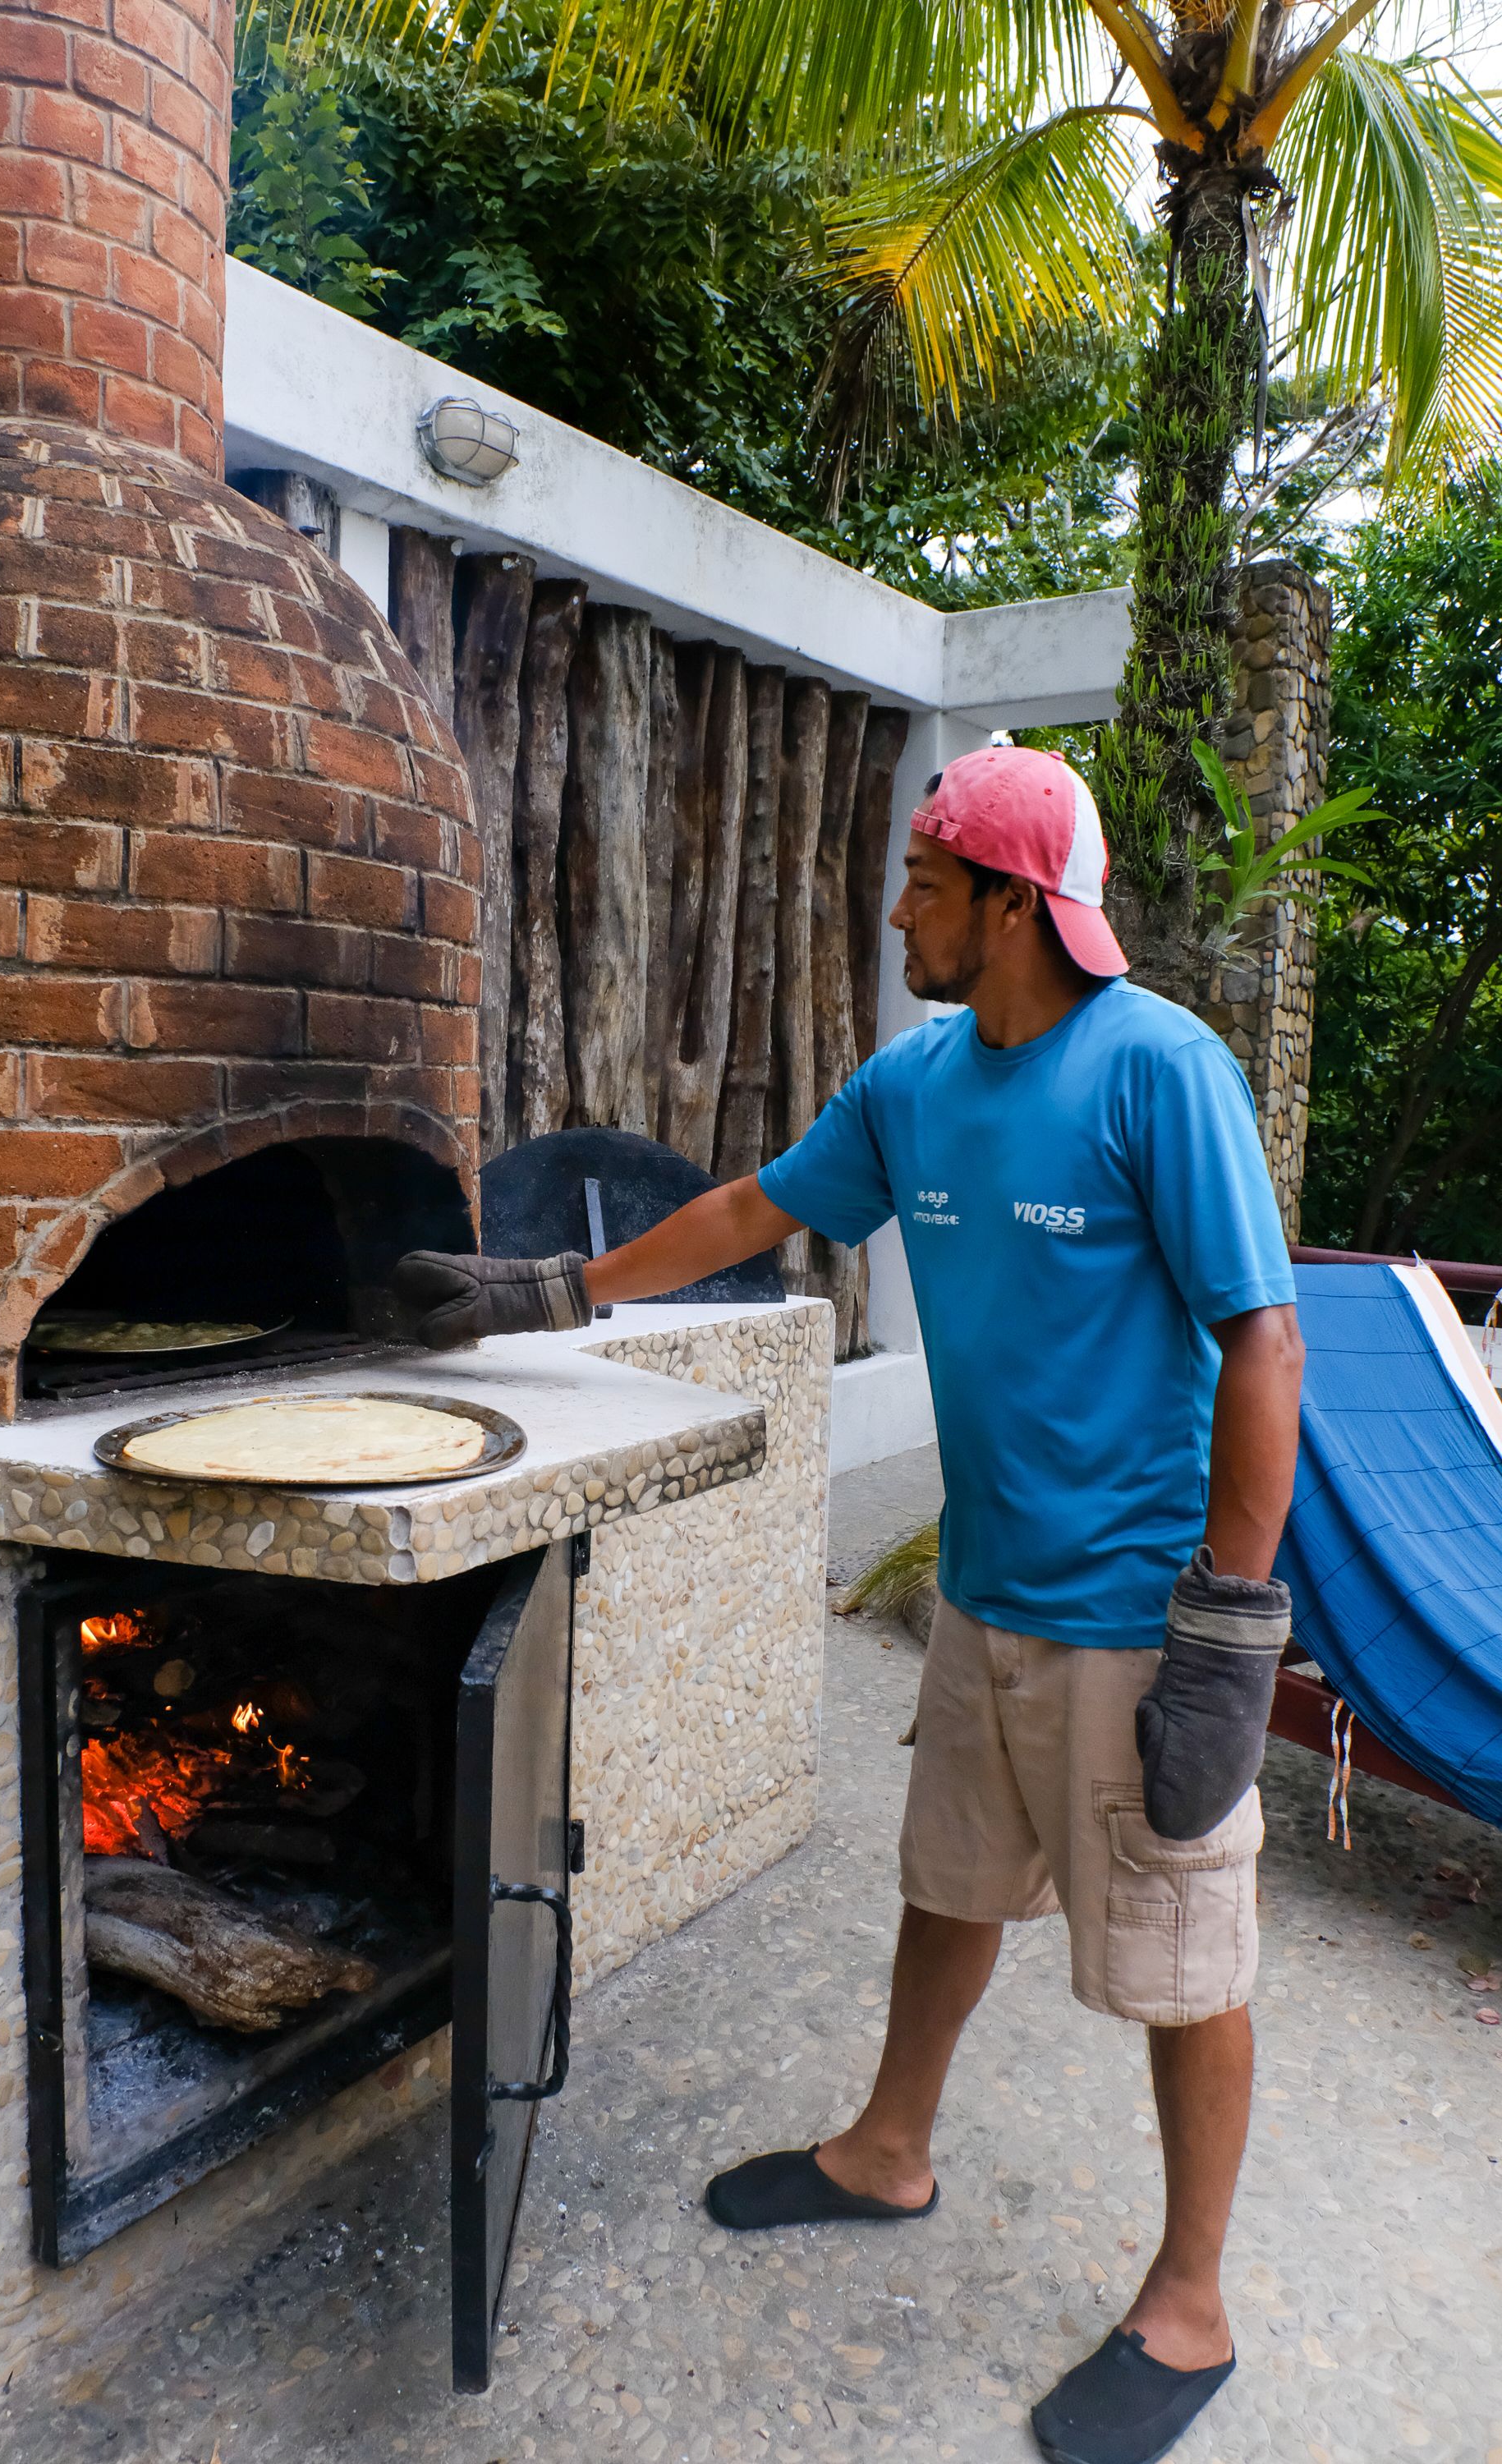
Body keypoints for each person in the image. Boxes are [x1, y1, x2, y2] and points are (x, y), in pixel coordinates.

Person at [393, 747, 1304, 2464]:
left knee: (1185, 1960)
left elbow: (1263, 1340)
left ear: (1015, 906)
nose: (896, 914)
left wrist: (1232, 1627)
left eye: (925, 884)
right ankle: (890, 2149)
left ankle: (1190, 2301)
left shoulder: (1159, 1071)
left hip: (1134, 1621)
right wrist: (555, 1291)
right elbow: (756, 1206)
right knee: (948, 1885)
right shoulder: (916, 1085)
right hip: (985, 1588)